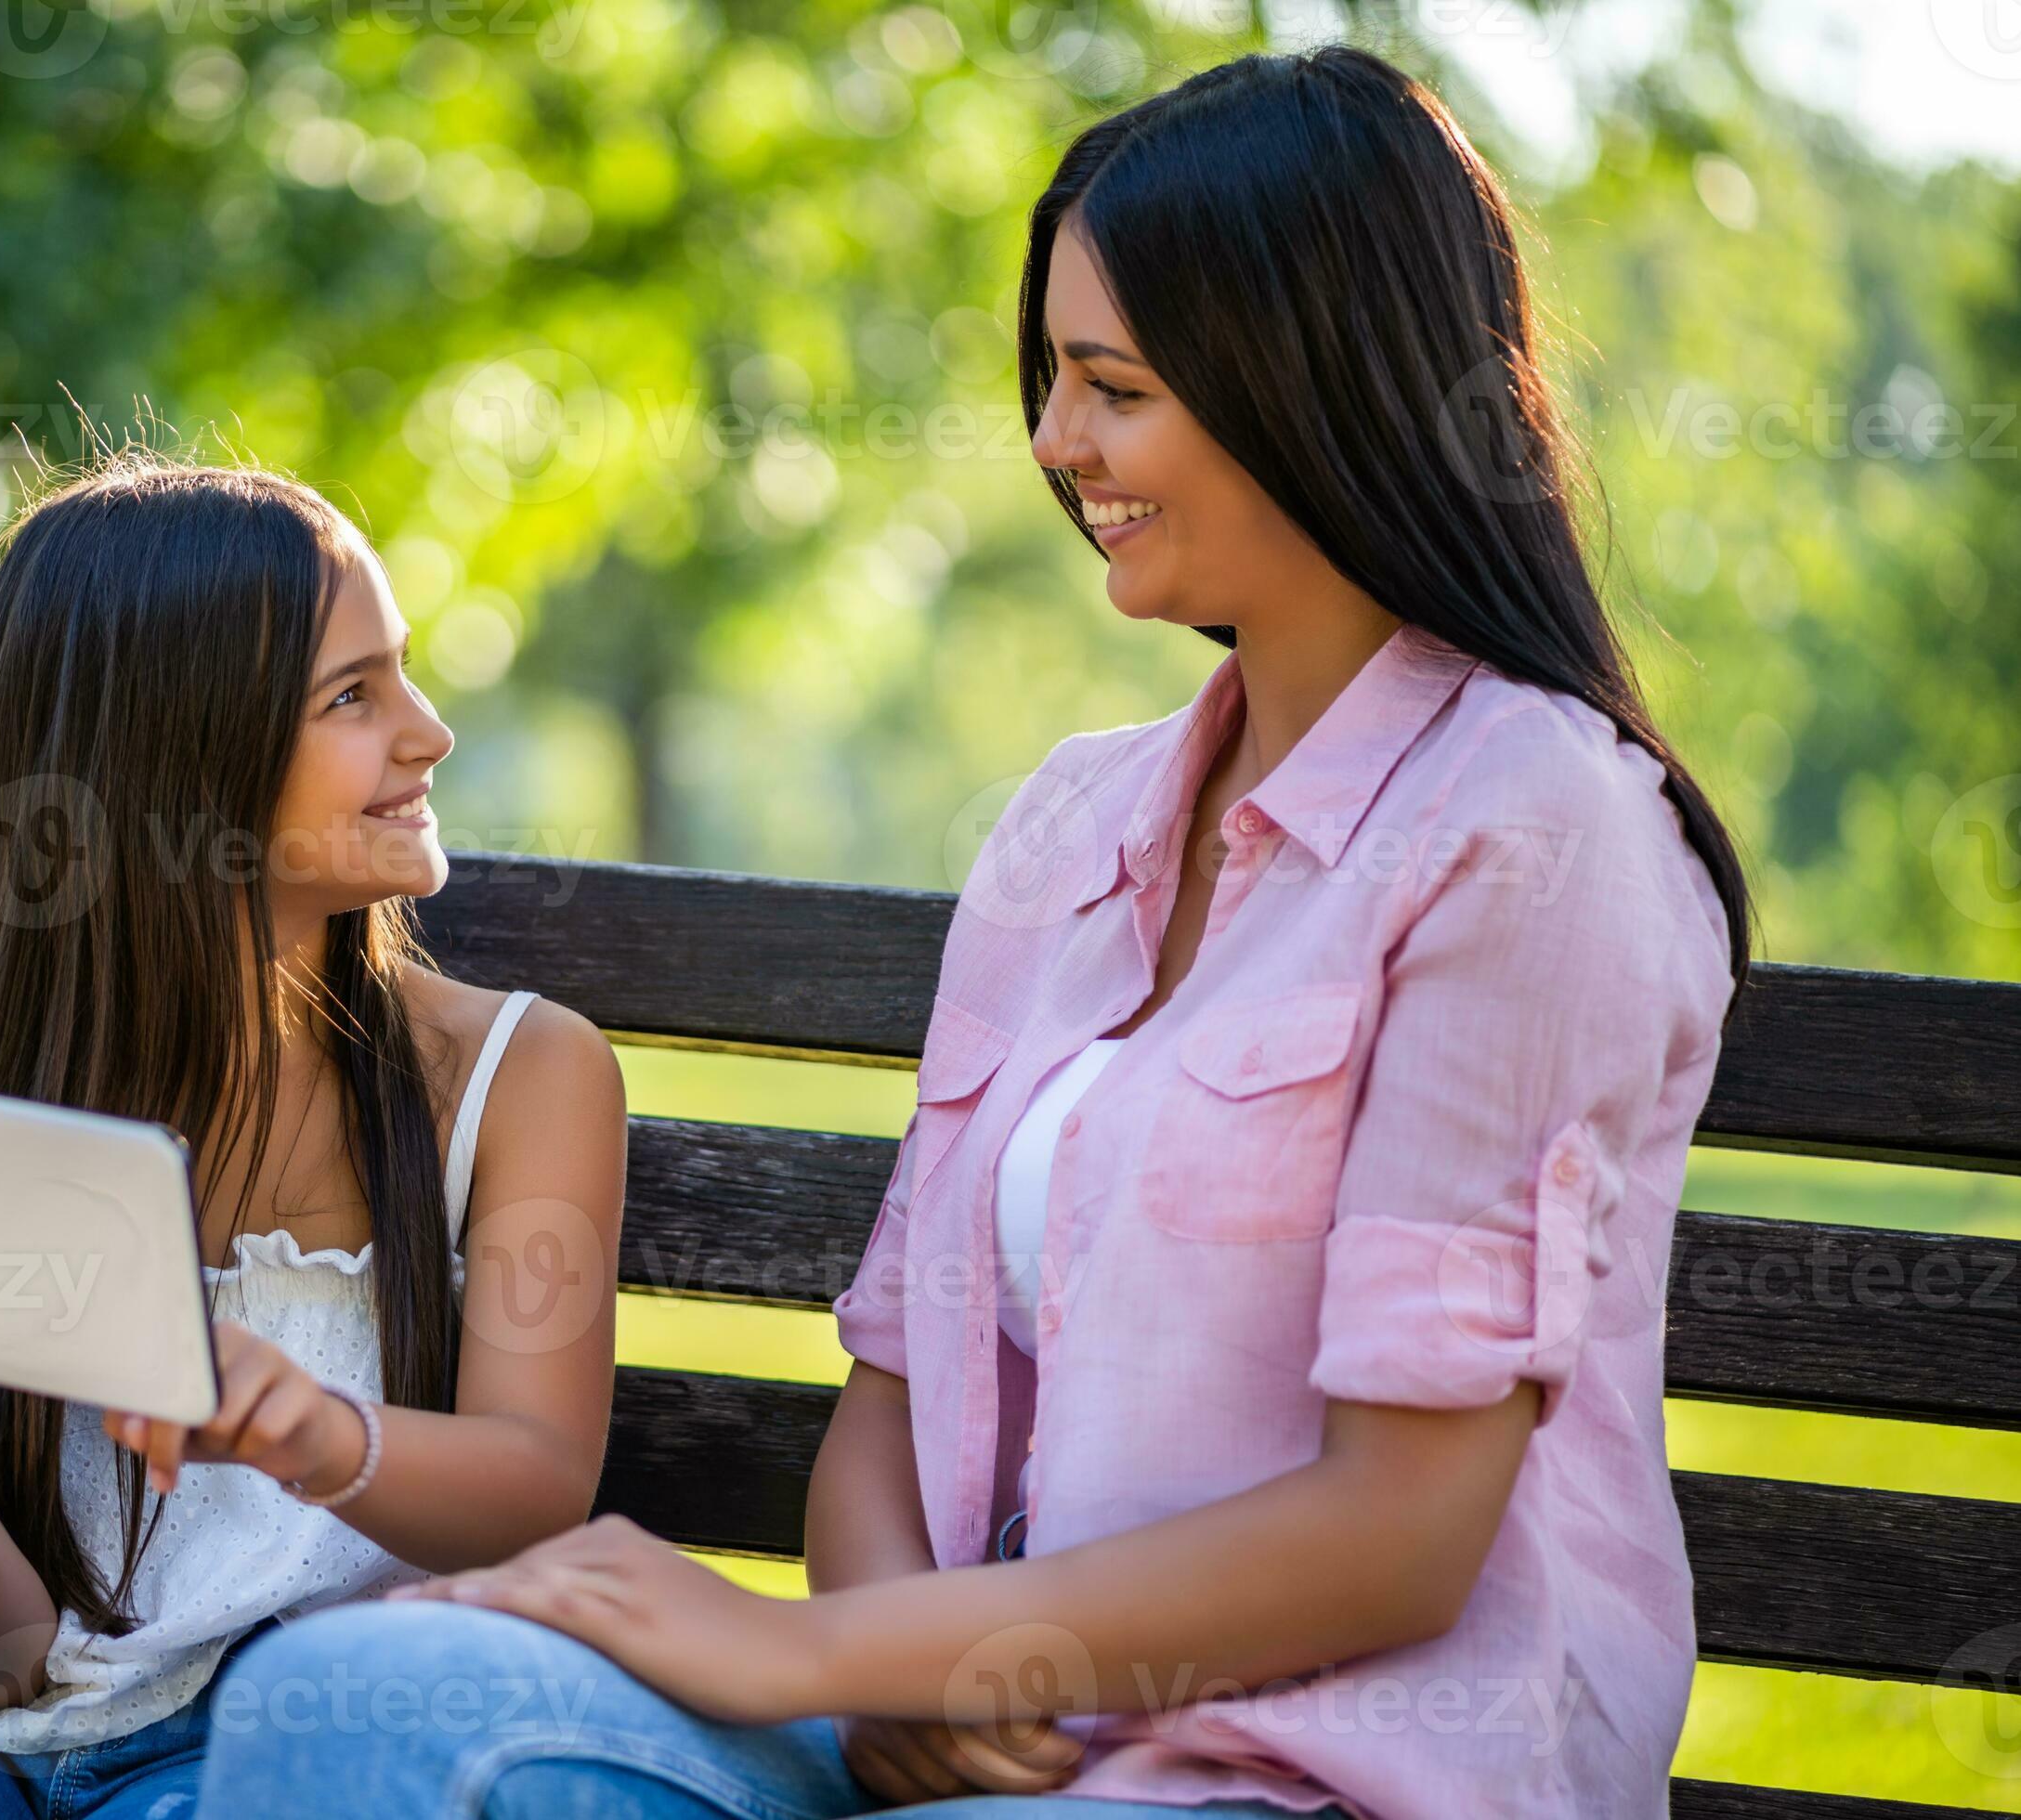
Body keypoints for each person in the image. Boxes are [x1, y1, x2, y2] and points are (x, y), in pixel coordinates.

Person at [190, 43, 1751, 1820]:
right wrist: (895, 1686)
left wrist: (829, 1656)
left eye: (1114, 387)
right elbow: (895, 1401)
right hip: (974, 1749)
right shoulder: (1074, 826)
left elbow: (1398, 1532)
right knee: (338, 1704)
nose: (1056, 442)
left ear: (1312, 385)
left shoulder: (1534, 825)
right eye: (1055, 380)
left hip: (1313, 1780)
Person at [0, 454, 628, 1815]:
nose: (429, 732)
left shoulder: (518, 1077)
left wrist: (322, 1435)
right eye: (352, 696)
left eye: (402, 674)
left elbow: (535, 1485)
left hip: (272, 1745)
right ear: (181, 762)